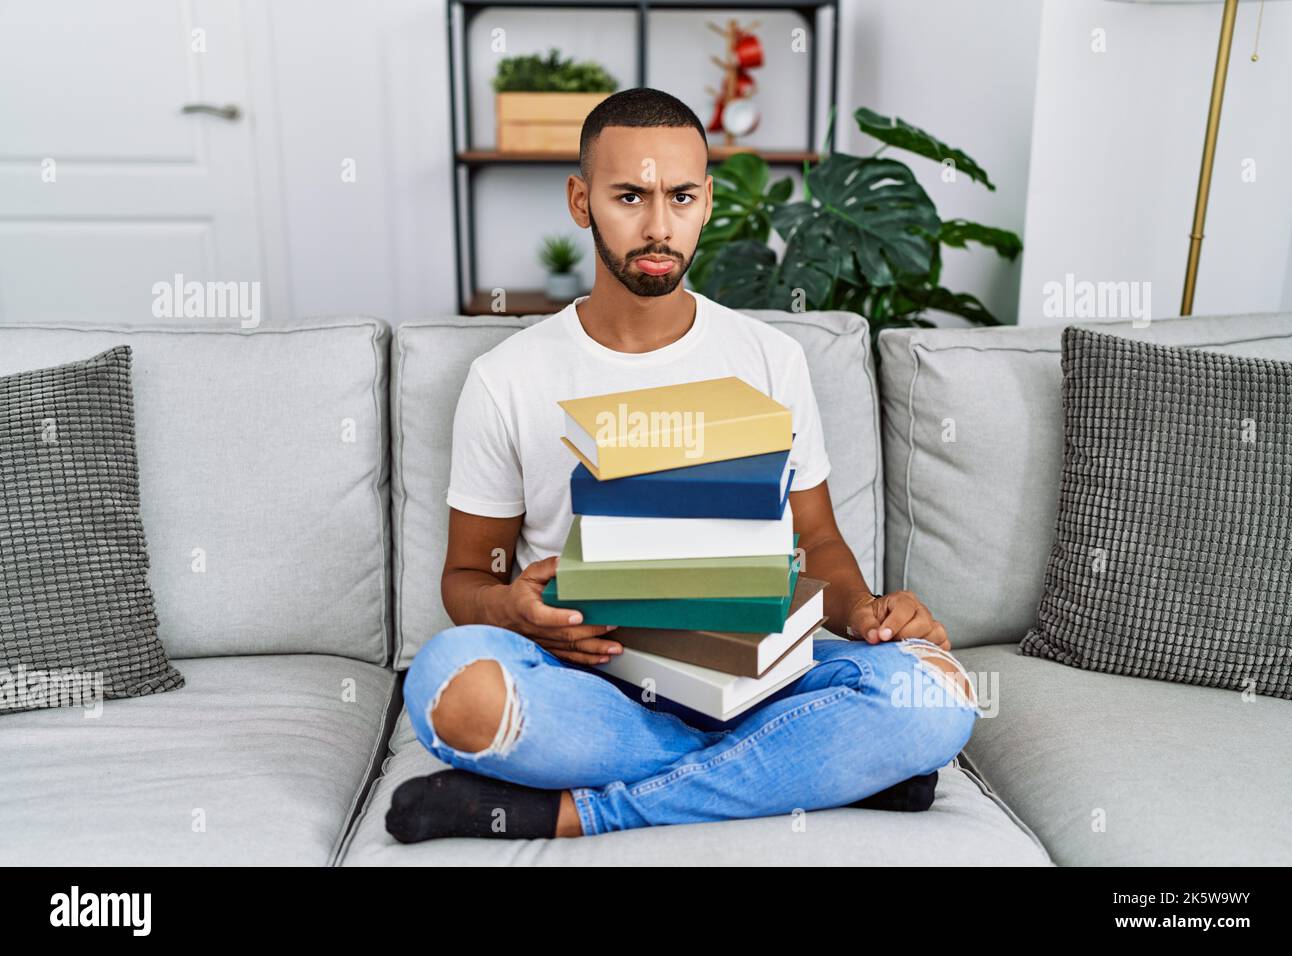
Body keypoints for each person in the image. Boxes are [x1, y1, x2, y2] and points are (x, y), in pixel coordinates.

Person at [385, 87, 980, 843]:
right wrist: (511, 610)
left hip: (754, 673)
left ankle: (582, 811)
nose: (658, 226)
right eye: (629, 195)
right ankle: (805, 766)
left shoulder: (770, 358)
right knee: (447, 684)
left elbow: (818, 542)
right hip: (590, 680)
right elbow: (466, 579)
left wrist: (864, 613)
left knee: (935, 692)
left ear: (706, 203)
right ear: (581, 201)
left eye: (682, 196)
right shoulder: (508, 378)